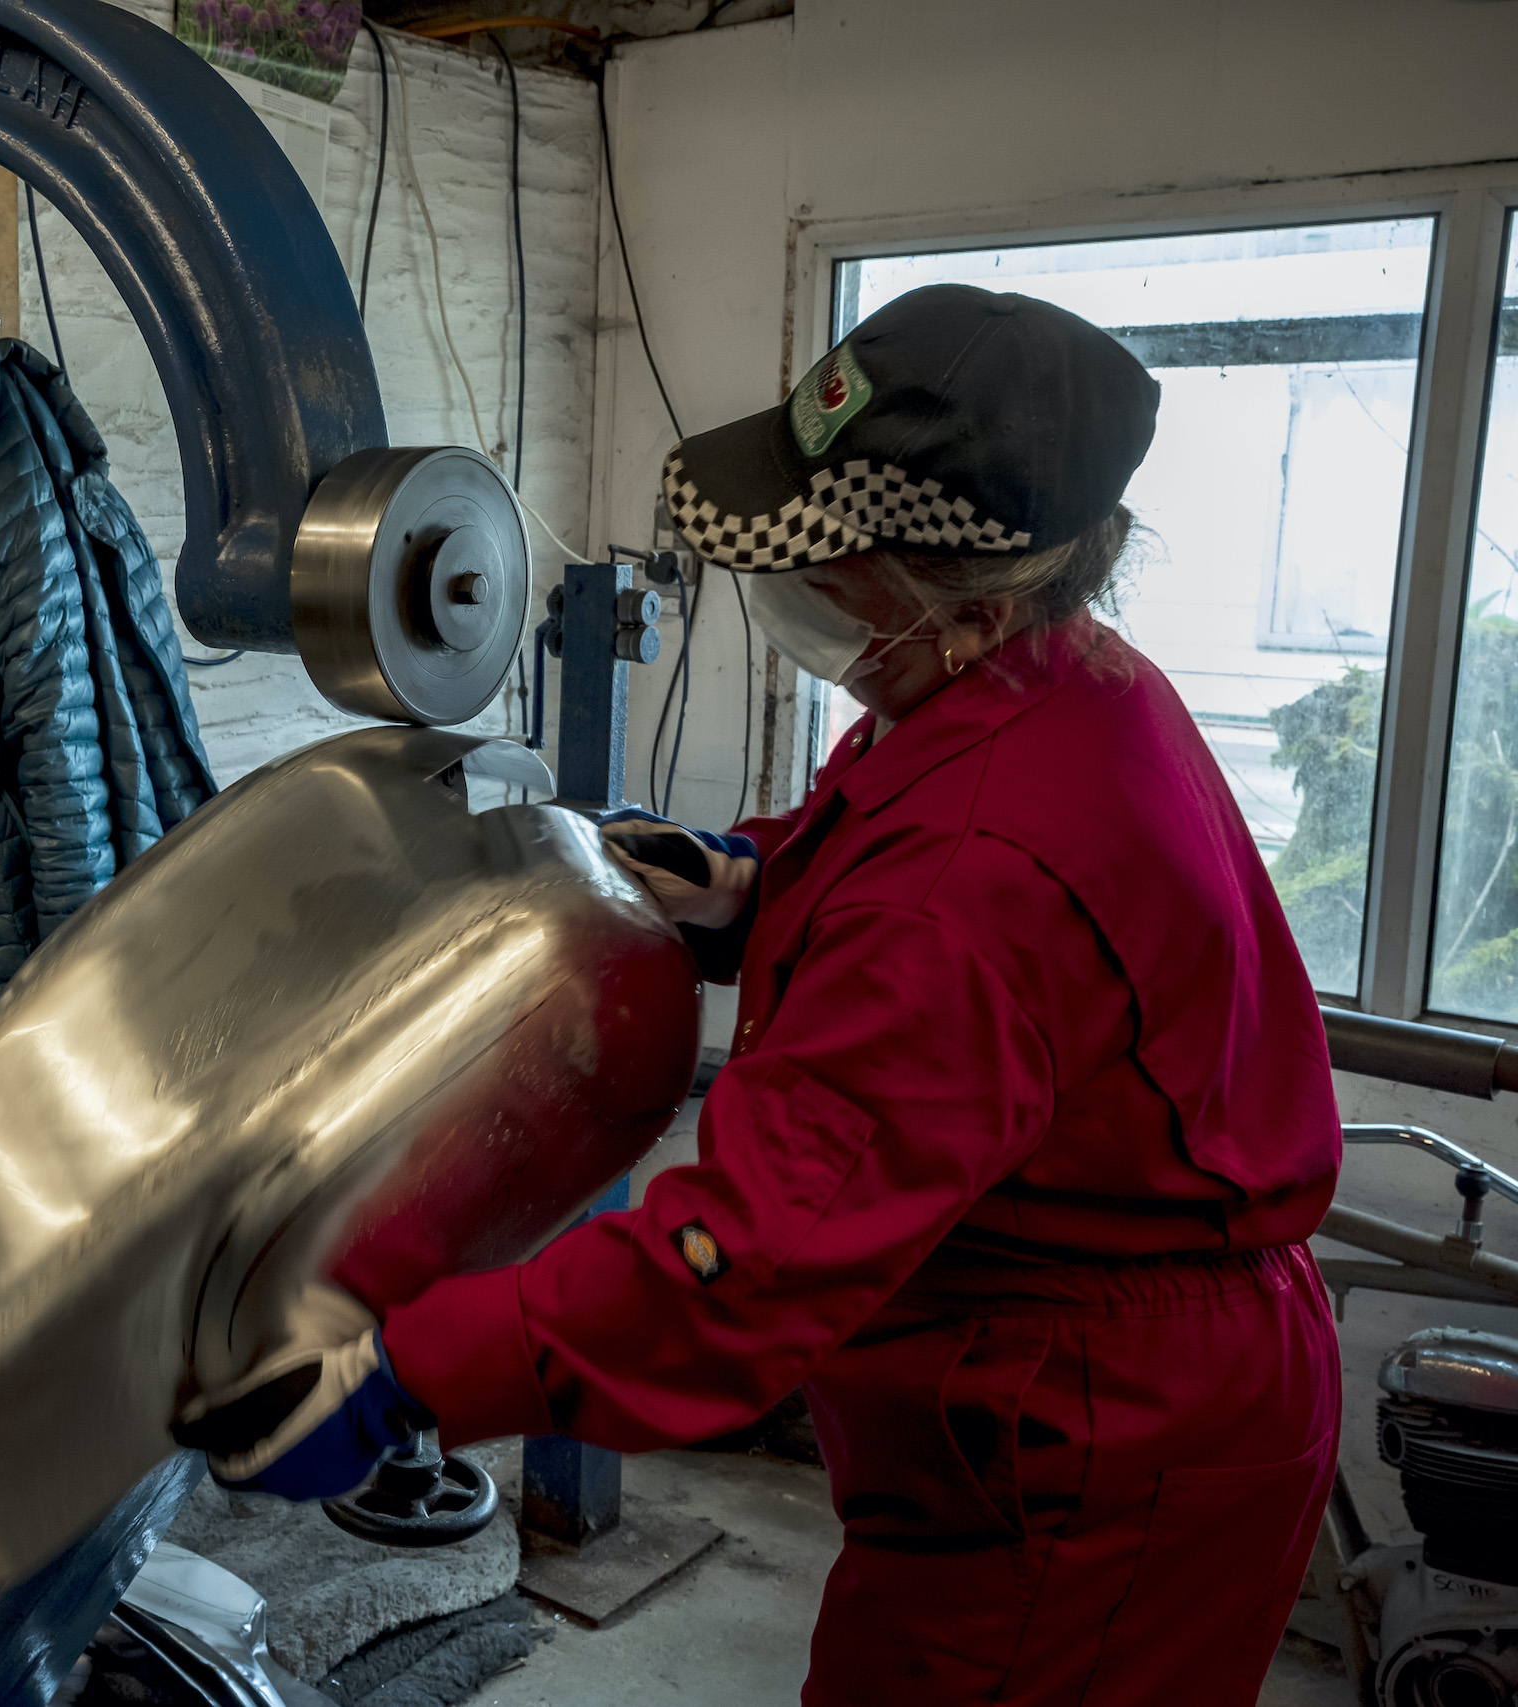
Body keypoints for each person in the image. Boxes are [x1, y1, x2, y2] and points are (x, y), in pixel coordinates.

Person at [180, 284, 1344, 1704]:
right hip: (1077, 1360)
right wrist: (744, 881)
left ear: (951, 599)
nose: (799, 595)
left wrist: (399, 1374)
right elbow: (904, 838)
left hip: (1098, 1440)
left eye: (827, 562)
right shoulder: (1048, 674)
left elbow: (738, 1266)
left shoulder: (973, 878)